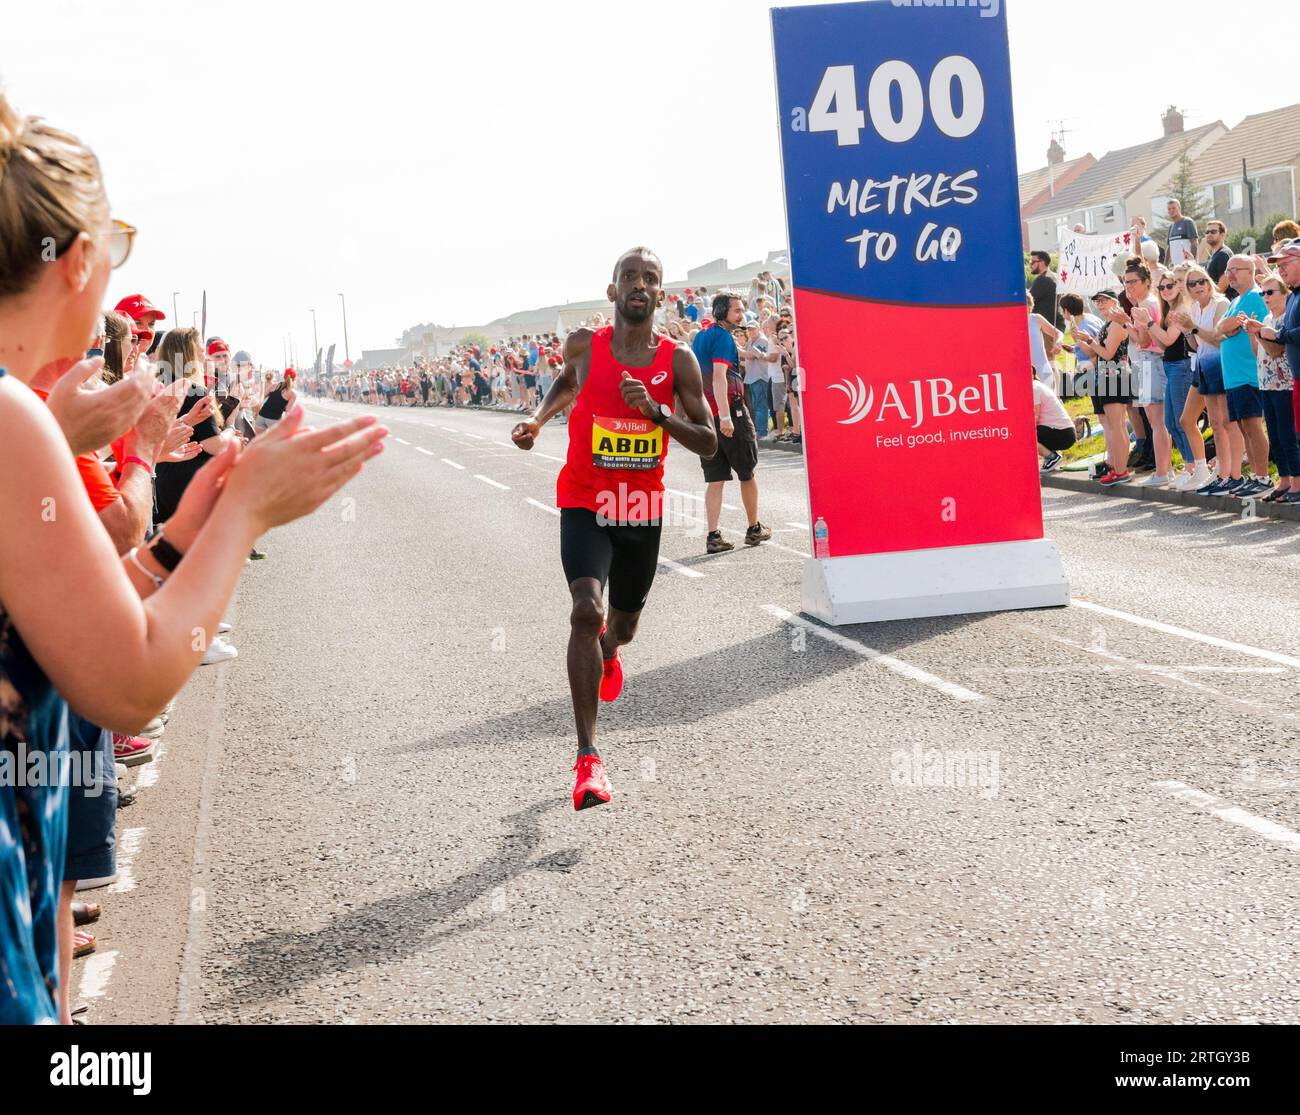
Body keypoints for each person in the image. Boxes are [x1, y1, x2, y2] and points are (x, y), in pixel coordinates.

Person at [0, 90, 387, 1023]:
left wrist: (184, 537)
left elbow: (54, 631)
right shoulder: (13, 418)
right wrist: (245, 513)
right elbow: (126, 683)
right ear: (82, 262)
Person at [510, 248, 717, 811]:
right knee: (586, 609)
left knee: (620, 627)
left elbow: (709, 441)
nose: (639, 285)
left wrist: (656, 414)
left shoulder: (679, 363)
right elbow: (565, 381)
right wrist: (536, 419)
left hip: (640, 510)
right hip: (584, 500)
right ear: (613, 290)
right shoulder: (585, 344)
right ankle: (587, 759)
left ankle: (610, 650)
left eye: (650, 278)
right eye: (631, 276)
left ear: (661, 294)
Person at [692, 291, 773, 553]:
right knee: (747, 472)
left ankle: (713, 536)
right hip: (729, 413)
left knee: (715, 478)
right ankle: (754, 528)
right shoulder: (724, 337)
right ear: (721, 313)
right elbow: (719, 376)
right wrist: (726, 415)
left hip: (705, 415)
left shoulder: (702, 336)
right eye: (737, 311)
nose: (742, 315)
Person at [1215, 255, 1272, 498]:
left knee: (1252, 425)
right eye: (1228, 270)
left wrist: (1226, 328)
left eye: (1236, 269)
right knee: (1242, 425)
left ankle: (1264, 477)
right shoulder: (1236, 299)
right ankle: (1256, 476)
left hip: (1249, 374)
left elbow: (1254, 329)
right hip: (1234, 376)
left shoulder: (1256, 297)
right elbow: (1221, 328)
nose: (1231, 274)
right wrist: (1225, 327)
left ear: (1250, 271)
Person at [1174, 264, 1228, 492]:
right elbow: (1196, 346)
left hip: (1220, 366)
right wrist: (1187, 330)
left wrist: (1192, 328)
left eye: (1201, 281)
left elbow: (1218, 339)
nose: (1198, 287)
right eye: (1192, 284)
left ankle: (1224, 471)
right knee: (1187, 419)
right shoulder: (1195, 307)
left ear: (1209, 281)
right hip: (1202, 367)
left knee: (1221, 423)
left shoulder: (1221, 303)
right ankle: (1204, 468)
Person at [1074, 289, 1133, 485]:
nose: (1100, 305)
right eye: (1097, 302)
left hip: (1115, 375)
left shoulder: (1116, 323)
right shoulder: (1108, 324)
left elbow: (1107, 354)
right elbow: (1096, 352)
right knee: (1116, 426)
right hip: (1109, 375)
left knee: (1117, 426)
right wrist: (1082, 340)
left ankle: (1121, 469)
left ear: (1115, 302)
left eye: (1104, 301)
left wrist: (1090, 340)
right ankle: (1117, 468)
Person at [1124, 263, 1173, 485]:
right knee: (1157, 421)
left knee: (1157, 421)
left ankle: (1163, 472)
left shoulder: (1146, 304)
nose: (1129, 286)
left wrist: (1124, 324)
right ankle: (1165, 470)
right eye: (1126, 281)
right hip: (1148, 362)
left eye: (1133, 281)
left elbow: (1143, 341)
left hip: (1150, 361)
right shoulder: (1146, 303)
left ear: (1146, 282)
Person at [1251, 273, 1298, 503]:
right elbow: (1258, 352)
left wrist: (1259, 332)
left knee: (1287, 434)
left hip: (1284, 383)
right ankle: (1285, 480)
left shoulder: (1284, 320)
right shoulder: (1267, 320)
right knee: (1275, 435)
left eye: (1270, 292)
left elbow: (1276, 351)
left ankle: (1297, 483)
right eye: (1262, 292)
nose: (1265, 297)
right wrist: (1255, 333)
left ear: (1284, 294)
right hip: (1267, 382)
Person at [1034, 375, 1077, 472]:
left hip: (1063, 434)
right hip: (1063, 431)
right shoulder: (1038, 385)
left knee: (1024, 436)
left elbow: (1035, 417)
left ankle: (1052, 457)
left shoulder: (1034, 387)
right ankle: (1051, 454)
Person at [1027, 250, 1063, 329]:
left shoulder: (1043, 280)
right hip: (1055, 325)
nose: (1030, 265)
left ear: (1042, 262)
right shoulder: (1056, 277)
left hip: (1046, 326)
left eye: (1032, 262)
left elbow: (1028, 300)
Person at [1203, 220, 1234, 298]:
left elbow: (1221, 288)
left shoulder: (1223, 255)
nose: (1209, 234)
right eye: (1207, 232)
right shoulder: (1214, 256)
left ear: (1222, 235)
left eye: (1213, 231)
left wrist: (1207, 300)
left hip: (1223, 303)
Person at [1165, 199, 1198, 265]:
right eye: (1169, 209)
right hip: (1176, 268)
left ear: (1179, 208)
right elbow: (1169, 248)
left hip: (1187, 266)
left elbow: (1194, 243)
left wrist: (1192, 262)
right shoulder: (1171, 226)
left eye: (1174, 208)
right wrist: (1165, 265)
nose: (1171, 211)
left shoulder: (1187, 222)